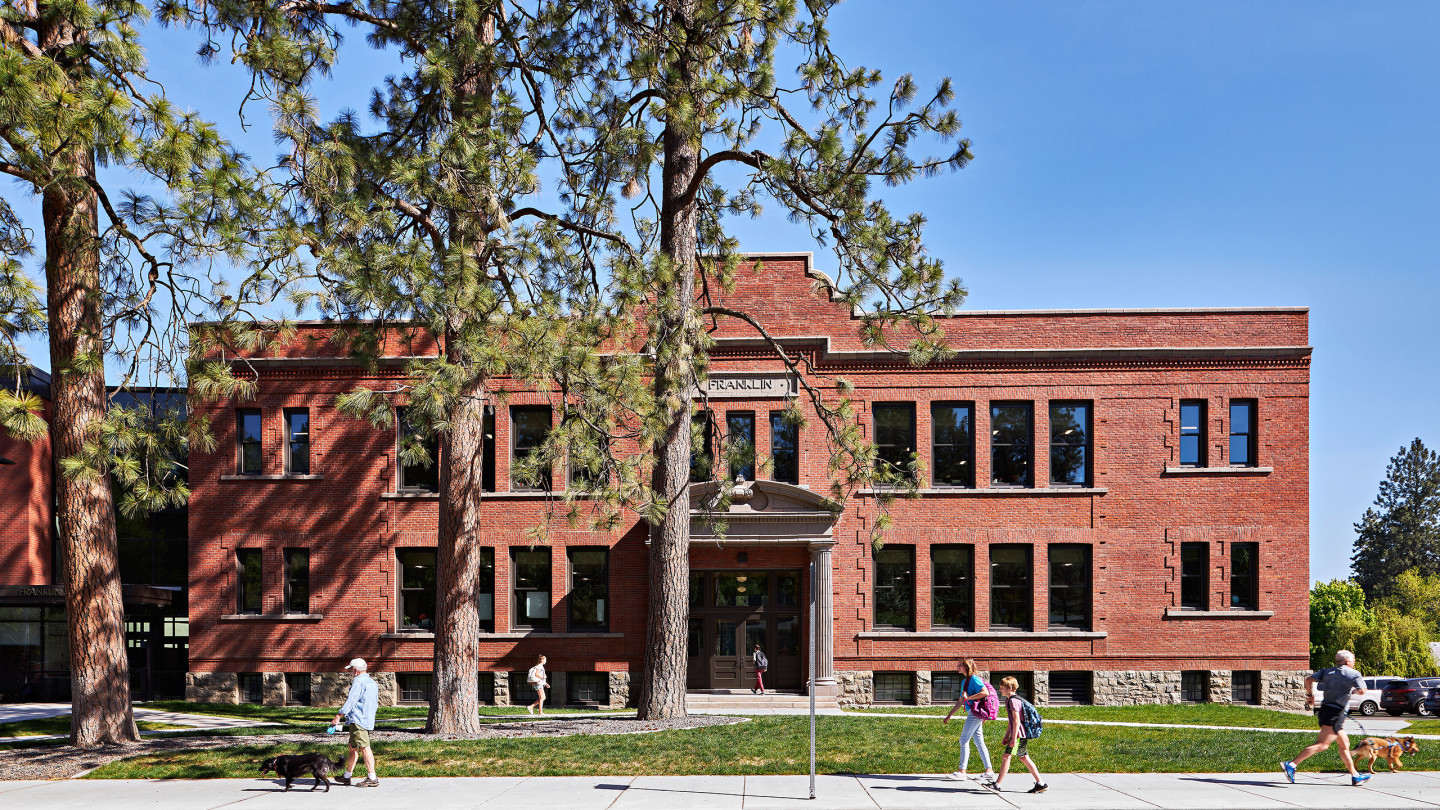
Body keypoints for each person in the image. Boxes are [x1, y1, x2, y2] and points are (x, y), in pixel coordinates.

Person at [1283, 649, 1371, 787]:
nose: (1354, 662)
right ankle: (1291, 765)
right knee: (1323, 745)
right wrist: (1352, 690)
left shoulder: (1327, 671)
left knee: (1344, 744)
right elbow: (1362, 691)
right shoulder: (1354, 674)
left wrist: (1309, 696)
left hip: (1325, 710)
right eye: (1353, 660)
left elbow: (1309, 680)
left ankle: (1355, 776)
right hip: (1336, 713)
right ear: (1348, 661)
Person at [985, 676, 1047, 794]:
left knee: (1006, 757)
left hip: (1018, 735)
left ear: (1010, 688)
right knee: (1023, 757)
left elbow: (1016, 720)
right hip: (1018, 734)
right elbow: (1011, 721)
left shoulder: (1013, 701)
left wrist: (1013, 738)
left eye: (1002, 688)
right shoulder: (1011, 700)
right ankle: (1041, 784)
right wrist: (1006, 735)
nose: (1000, 690)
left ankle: (997, 784)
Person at [942, 658, 996, 782]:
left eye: (960, 665)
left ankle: (962, 771)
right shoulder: (965, 681)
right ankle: (989, 771)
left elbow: (985, 692)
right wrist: (949, 715)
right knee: (978, 741)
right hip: (973, 712)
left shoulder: (974, 679)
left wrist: (969, 698)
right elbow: (961, 700)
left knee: (963, 740)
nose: (957, 667)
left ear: (967, 667)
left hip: (975, 714)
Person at [331, 657, 379, 788]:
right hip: (366, 719)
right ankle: (347, 776)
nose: (351, 672)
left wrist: (338, 715)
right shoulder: (372, 682)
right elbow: (375, 703)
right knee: (353, 748)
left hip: (358, 720)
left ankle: (372, 777)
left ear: (356, 670)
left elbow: (350, 701)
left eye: (352, 669)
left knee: (364, 747)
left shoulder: (358, 682)